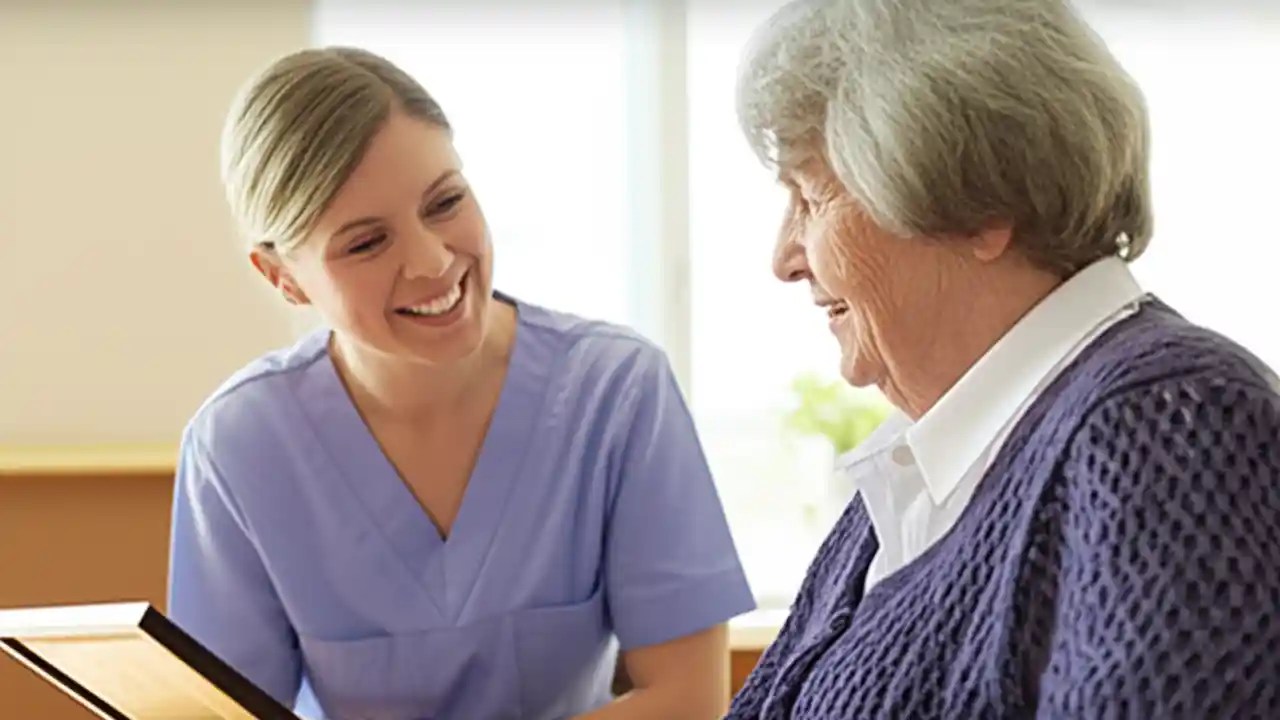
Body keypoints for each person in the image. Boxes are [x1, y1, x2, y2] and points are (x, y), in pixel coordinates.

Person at [726, 0, 1280, 717]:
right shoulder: (926, 466)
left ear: (978, 207)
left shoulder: (1177, 433)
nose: (783, 259)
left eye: (810, 196)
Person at [166, 46, 755, 720]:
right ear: (283, 277)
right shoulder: (240, 447)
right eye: (366, 244)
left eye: (444, 202)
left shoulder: (617, 395)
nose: (432, 262)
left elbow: (686, 699)